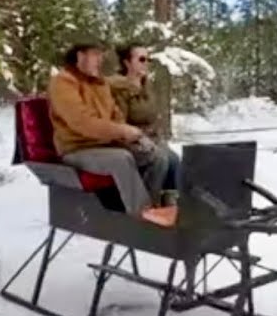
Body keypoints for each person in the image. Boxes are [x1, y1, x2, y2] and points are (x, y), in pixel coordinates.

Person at [47, 42, 176, 223]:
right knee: (121, 159)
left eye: (101, 55)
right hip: (77, 148)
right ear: (80, 57)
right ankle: (140, 214)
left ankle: (152, 209)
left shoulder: (99, 83)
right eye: (95, 55)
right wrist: (121, 130)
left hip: (105, 145)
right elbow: (82, 122)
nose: (100, 60)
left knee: (158, 157)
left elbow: (115, 115)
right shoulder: (63, 82)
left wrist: (134, 136)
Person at [108, 43, 182, 205]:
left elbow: (153, 117)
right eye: (141, 59)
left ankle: (170, 202)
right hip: (126, 141)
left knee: (174, 159)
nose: (146, 63)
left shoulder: (147, 86)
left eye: (148, 60)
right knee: (160, 159)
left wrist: (156, 135)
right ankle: (147, 204)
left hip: (150, 138)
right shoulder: (119, 89)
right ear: (127, 63)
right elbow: (119, 123)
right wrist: (140, 138)